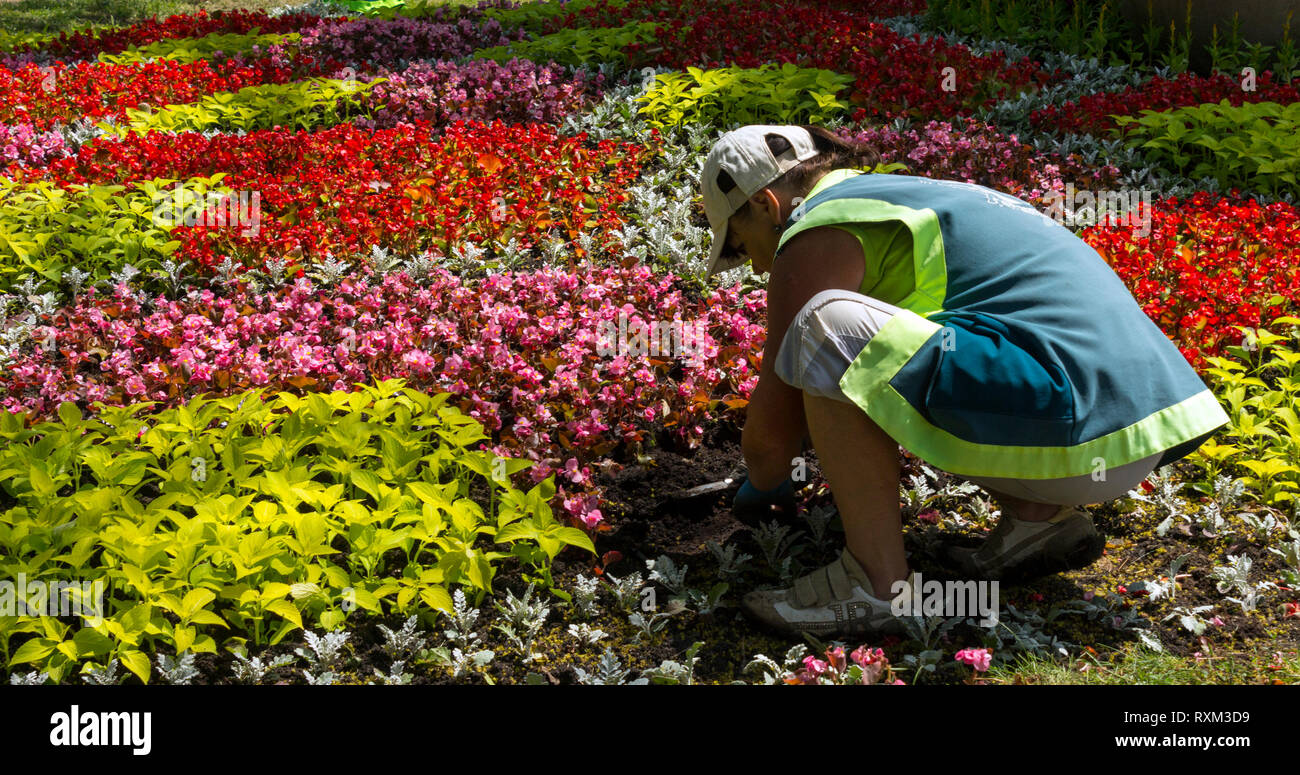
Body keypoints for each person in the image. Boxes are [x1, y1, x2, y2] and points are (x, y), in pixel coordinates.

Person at [698, 124, 1231, 637]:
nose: (754, 268)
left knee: (824, 328)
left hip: (1069, 419)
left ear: (767, 204)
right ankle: (1037, 517)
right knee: (897, 360)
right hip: (1130, 429)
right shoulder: (918, 193)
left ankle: (875, 587)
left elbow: (771, 438)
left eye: (743, 246)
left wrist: (765, 485)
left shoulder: (816, 227)